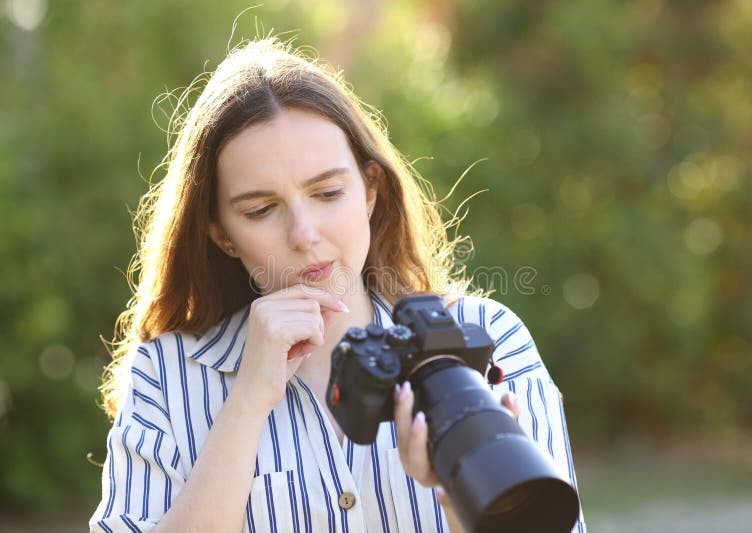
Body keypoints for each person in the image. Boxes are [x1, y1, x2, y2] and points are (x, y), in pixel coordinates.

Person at [90, 37, 586, 533]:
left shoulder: (489, 340)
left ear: (371, 190)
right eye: (261, 210)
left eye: (327, 193)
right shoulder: (166, 374)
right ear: (222, 234)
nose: (305, 235)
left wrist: (463, 504)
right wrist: (246, 400)